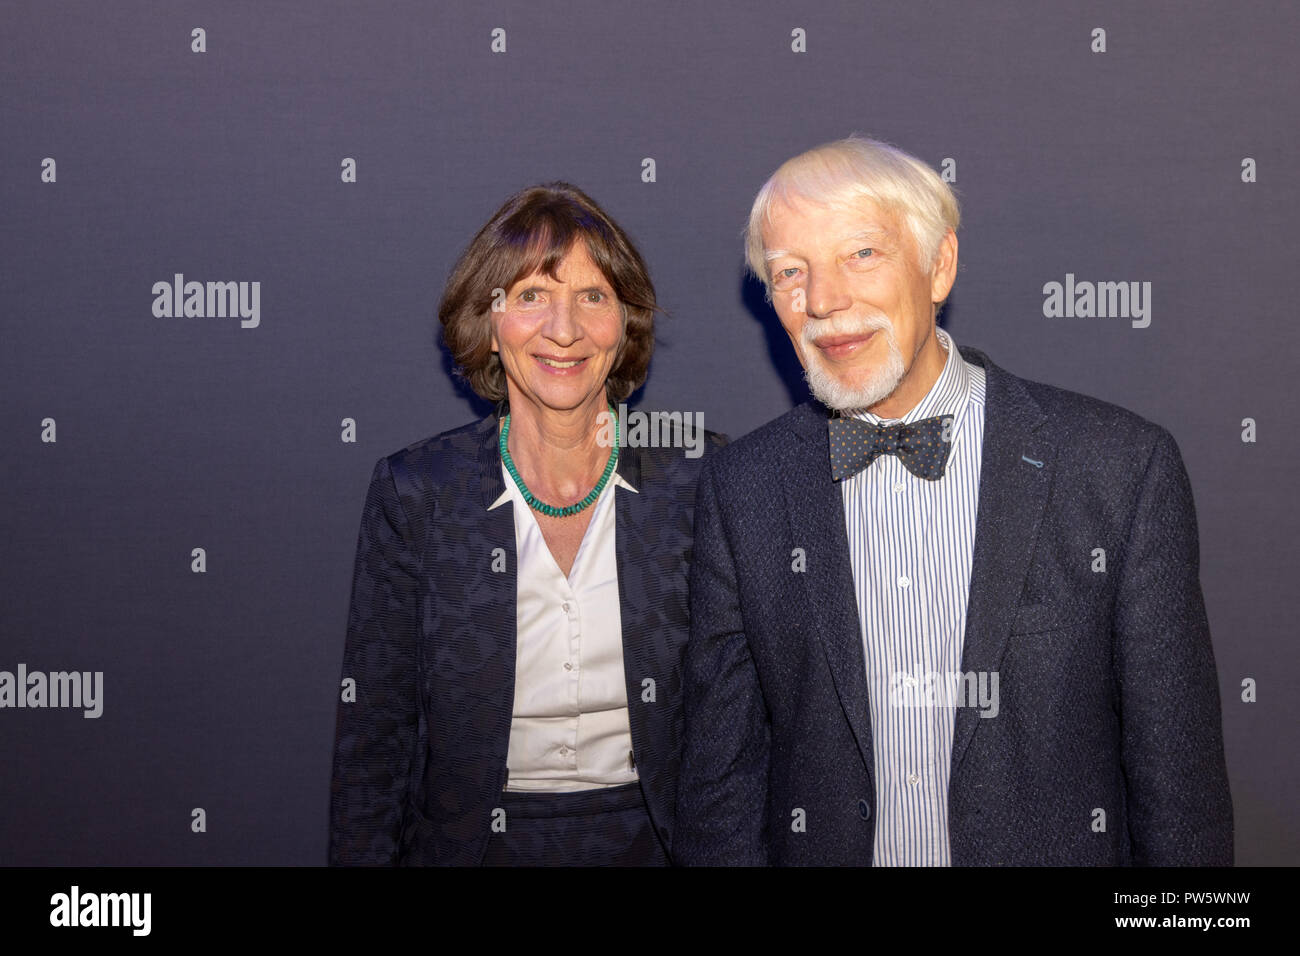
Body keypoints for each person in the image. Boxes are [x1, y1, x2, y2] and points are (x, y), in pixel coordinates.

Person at [675, 135, 1233, 866]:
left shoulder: (1119, 468)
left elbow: (1179, 787)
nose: (825, 301)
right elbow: (721, 784)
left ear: (939, 266)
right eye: (790, 273)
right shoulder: (740, 488)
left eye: (862, 255)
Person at [329, 182, 725, 865]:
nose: (564, 330)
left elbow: (741, 729)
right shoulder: (417, 492)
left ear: (626, 323)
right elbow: (376, 740)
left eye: (593, 297)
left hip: (660, 845)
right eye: (532, 296)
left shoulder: (703, 477)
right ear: (487, 323)